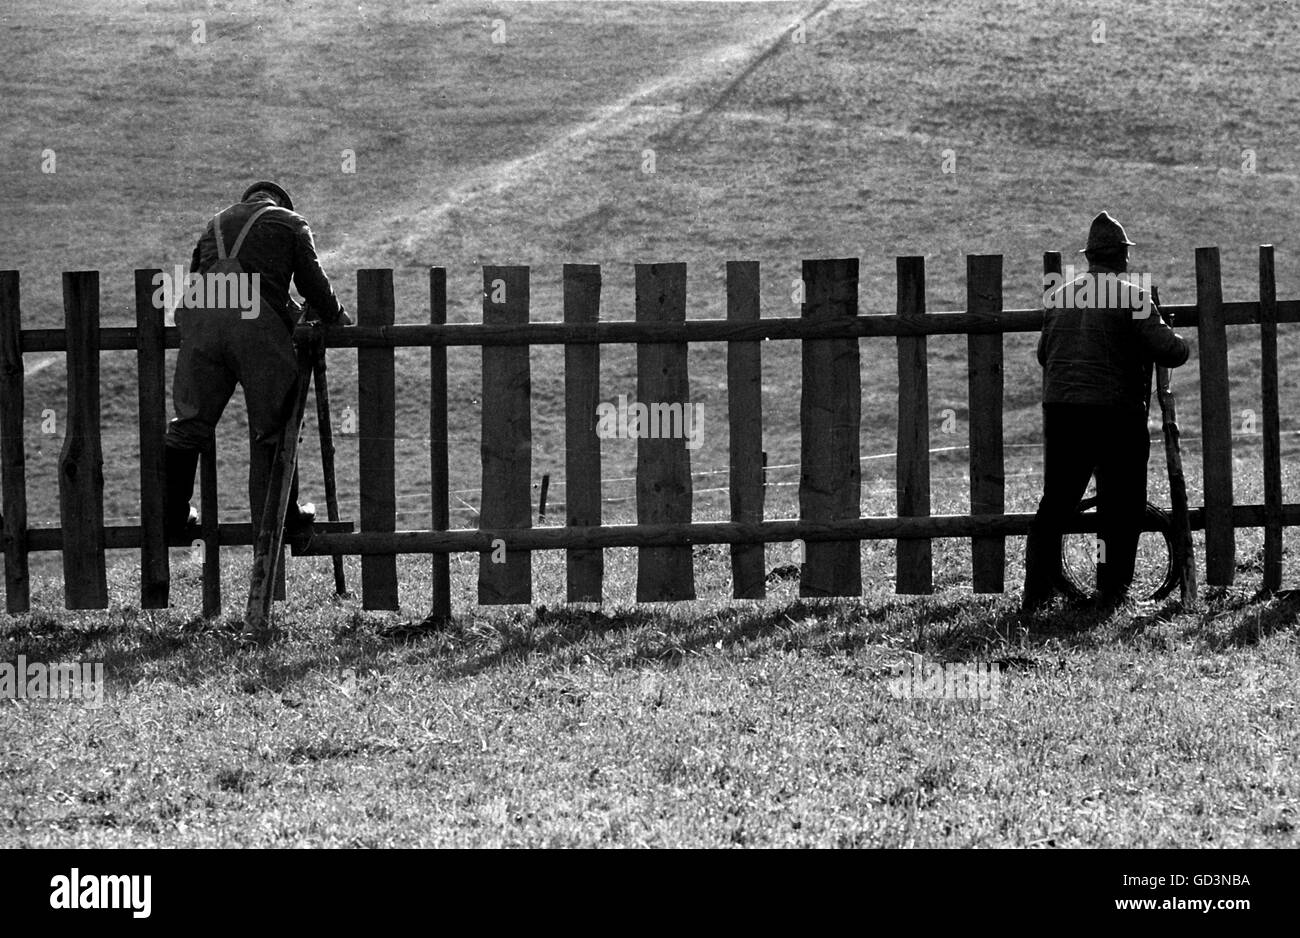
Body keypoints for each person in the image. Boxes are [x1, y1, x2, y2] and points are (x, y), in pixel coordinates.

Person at [1022, 211, 1190, 612]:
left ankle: (1036, 593)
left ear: (1091, 256)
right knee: (1121, 504)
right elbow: (1172, 351)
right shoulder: (1132, 295)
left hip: (1063, 410)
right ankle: (1111, 591)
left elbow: (1044, 354)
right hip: (1115, 413)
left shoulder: (1062, 294)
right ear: (1120, 256)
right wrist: (1170, 329)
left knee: (1056, 503)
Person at [163, 180, 350, 540]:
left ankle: (171, 516)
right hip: (253, 327)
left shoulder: (214, 224)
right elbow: (312, 284)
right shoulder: (291, 222)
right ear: (280, 202)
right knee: (274, 425)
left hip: (202, 319)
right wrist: (336, 315)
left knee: (188, 423)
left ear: (246, 201)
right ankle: (281, 516)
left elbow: (200, 278)